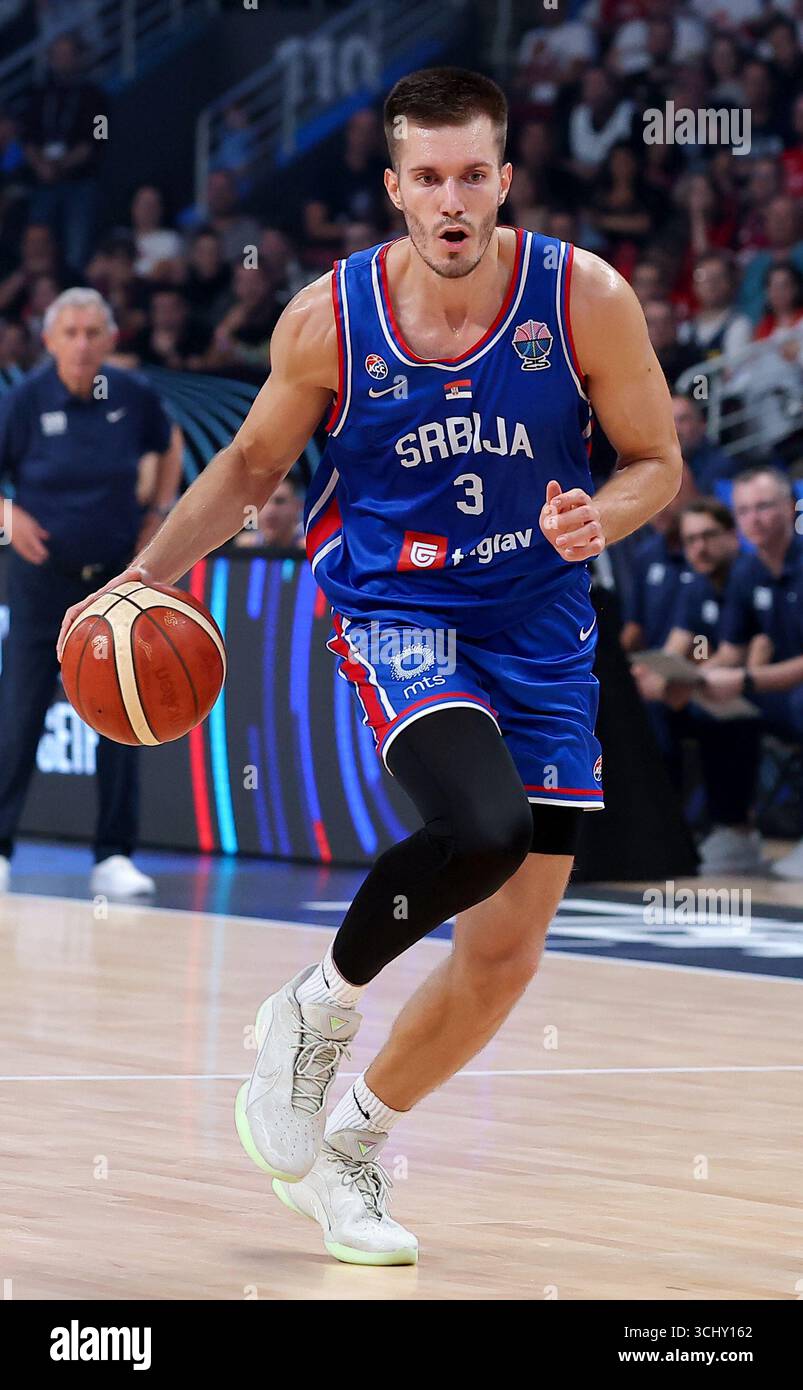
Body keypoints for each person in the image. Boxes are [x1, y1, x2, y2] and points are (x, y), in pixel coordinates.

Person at [58, 68, 681, 1266]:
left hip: (539, 619)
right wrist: (145, 574)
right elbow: (247, 470)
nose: (451, 200)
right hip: (397, 603)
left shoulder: (583, 298)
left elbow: (653, 458)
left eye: (471, 176)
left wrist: (605, 514)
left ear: (503, 180)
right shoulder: (326, 318)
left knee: (503, 955)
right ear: (395, 189)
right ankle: (314, 1006)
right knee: (484, 819)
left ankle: (347, 1149)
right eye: (427, 178)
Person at [0, 287, 182, 897]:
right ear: (48, 341)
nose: (81, 344)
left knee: (120, 707)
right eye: (69, 332)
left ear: (109, 339)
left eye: (91, 332)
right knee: (20, 711)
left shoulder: (131, 397)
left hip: (113, 580)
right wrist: (8, 512)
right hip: (39, 580)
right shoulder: (25, 401)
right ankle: (0, 848)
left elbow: (168, 442)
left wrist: (159, 510)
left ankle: (113, 855)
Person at [631, 499, 765, 874]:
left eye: (708, 536)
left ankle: (735, 827)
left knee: (714, 709)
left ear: (733, 537)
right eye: (690, 540)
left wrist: (690, 679)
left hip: (763, 684)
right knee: (655, 711)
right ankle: (667, 823)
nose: (699, 548)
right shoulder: (694, 586)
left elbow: (739, 655)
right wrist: (656, 674)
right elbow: (677, 645)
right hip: (718, 684)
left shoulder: (749, 574)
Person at [702, 467, 803, 879]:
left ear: (790, 507)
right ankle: (735, 830)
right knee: (710, 706)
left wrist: (745, 680)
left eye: (763, 507)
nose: (753, 519)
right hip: (777, 689)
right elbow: (731, 652)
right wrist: (693, 679)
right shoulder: (746, 571)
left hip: (794, 690)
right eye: (743, 510)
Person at [234, 477, 304, 552]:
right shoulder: (245, 547)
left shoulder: (311, 547)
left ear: (297, 506)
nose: (270, 510)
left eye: (279, 501)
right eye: (263, 502)